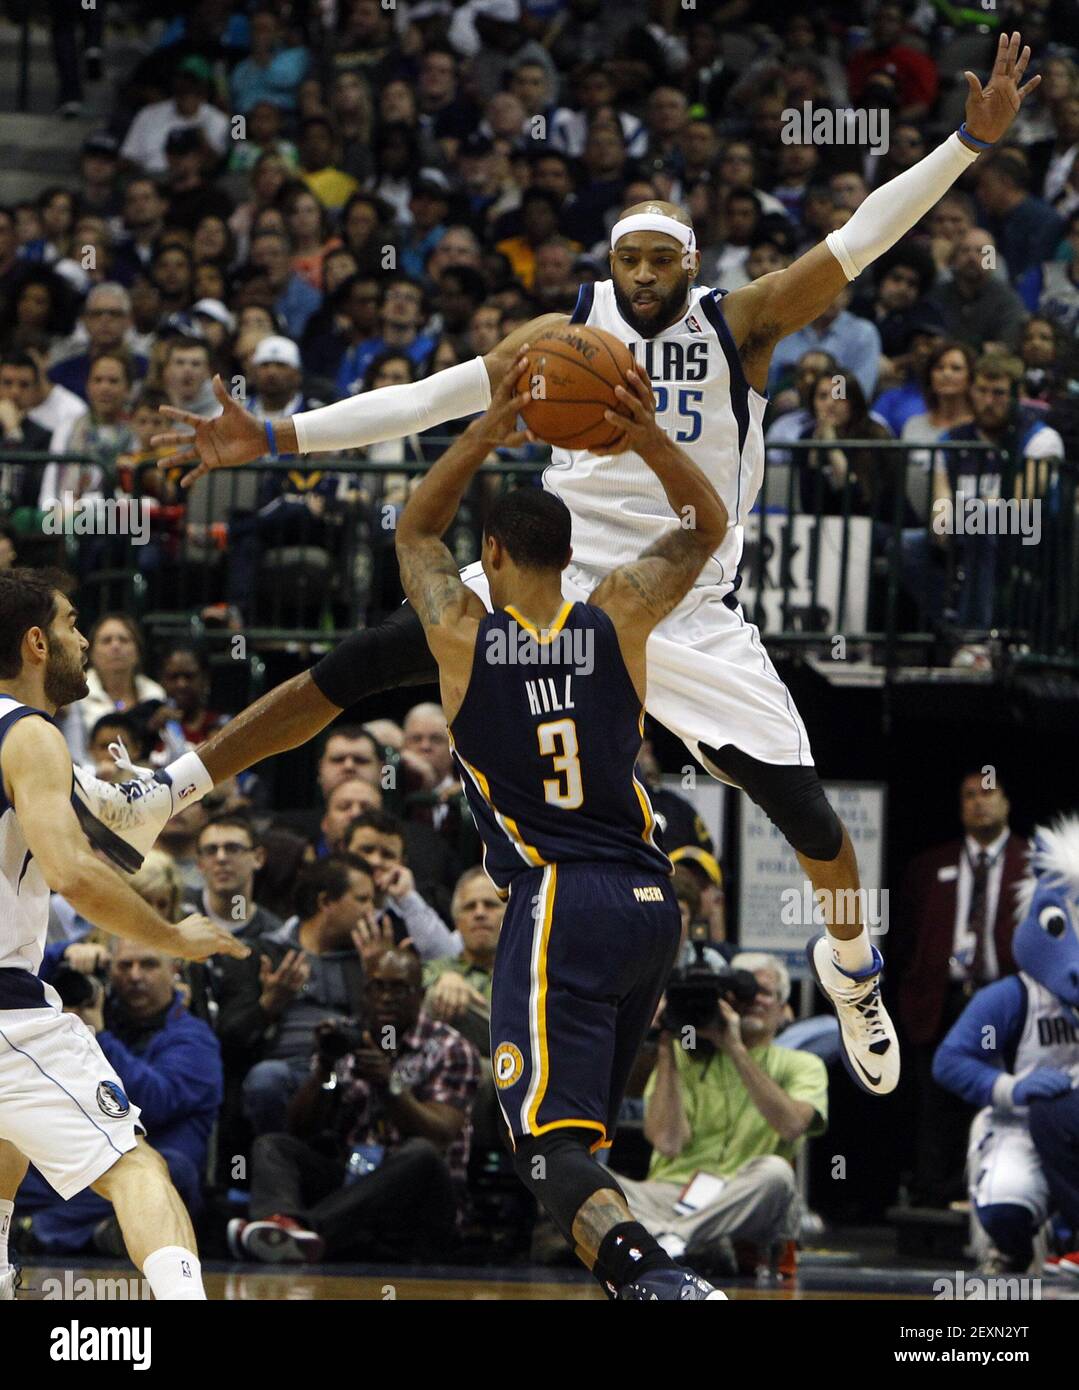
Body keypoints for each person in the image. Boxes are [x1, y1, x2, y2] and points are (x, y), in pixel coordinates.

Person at [130, 32, 1042, 1114]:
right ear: (610, 267)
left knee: (813, 827)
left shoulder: (737, 322)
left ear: (691, 265)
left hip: (689, 604)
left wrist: (961, 146)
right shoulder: (561, 331)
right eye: (628, 261)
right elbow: (424, 402)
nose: (644, 276)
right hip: (553, 591)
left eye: (662, 260)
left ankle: (850, 972)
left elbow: (858, 235)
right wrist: (273, 439)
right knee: (355, 665)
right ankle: (163, 790)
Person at [393, 349, 732, 1300]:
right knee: (579, 1136)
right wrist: (642, 433)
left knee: (539, 1147)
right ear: (565, 552)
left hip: (559, 906)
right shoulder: (617, 612)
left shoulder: (463, 636)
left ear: (494, 554)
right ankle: (641, 1279)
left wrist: (487, 426)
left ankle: (655, 1283)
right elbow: (708, 525)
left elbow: (417, 529)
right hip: (649, 904)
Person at [0, 567, 245, 1301]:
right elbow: (72, 870)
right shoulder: (28, 733)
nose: (80, 638)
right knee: (137, 1169)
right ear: (37, 642)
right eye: (73, 624)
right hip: (6, 1013)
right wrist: (173, 936)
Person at [228, 946, 480, 1264]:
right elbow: (300, 1129)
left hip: (418, 1207)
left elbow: (440, 1136)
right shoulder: (347, 1039)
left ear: (420, 994)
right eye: (378, 987)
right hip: (352, 1192)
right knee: (273, 1145)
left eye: (398, 988)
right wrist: (325, 1070)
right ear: (364, 994)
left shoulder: (450, 1048)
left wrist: (389, 1086)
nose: (386, 998)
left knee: (422, 1154)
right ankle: (282, 1224)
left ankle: (299, 1232)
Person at [614, 952, 826, 1276]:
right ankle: (679, 1236)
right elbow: (668, 1142)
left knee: (777, 1174)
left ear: (785, 1011)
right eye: (742, 992)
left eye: (765, 992)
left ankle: (667, 1237)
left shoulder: (801, 1064)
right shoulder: (683, 1059)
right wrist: (667, 1043)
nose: (753, 999)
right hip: (671, 1192)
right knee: (599, 1182)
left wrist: (735, 1048)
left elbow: (792, 1126)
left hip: (741, 1197)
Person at [897, 770, 1028, 1209]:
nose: (979, 803)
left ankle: (994, 1193)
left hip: (1006, 999)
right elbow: (908, 938)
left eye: (988, 793)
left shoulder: (1032, 863)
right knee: (936, 1102)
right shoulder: (930, 866)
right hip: (943, 998)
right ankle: (935, 1201)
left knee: (998, 1096)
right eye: (969, 795)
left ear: (1007, 802)